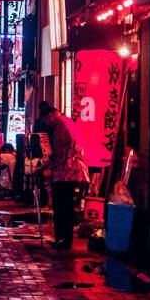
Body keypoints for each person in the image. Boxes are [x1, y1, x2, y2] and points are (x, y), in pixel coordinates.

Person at [38, 102, 91, 250]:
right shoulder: (64, 123)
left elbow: (67, 150)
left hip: (68, 172)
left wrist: (54, 163)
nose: (47, 125)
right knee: (62, 206)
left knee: (63, 207)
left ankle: (64, 240)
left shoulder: (63, 125)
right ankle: (62, 239)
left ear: (50, 116)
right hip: (65, 172)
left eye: (46, 121)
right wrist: (46, 166)